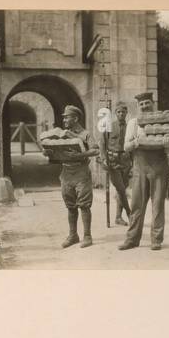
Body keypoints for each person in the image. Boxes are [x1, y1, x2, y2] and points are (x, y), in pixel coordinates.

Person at [118, 91, 168, 251]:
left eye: (147, 103)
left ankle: (156, 240)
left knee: (158, 204)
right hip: (140, 165)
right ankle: (132, 239)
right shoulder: (133, 123)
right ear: (138, 107)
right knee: (137, 204)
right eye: (142, 104)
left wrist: (167, 142)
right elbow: (125, 147)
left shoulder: (162, 121)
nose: (145, 106)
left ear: (152, 104)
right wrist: (138, 141)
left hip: (159, 166)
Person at [49, 105, 99, 248]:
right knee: (70, 205)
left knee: (84, 205)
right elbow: (56, 153)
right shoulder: (62, 134)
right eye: (64, 117)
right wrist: (49, 153)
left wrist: (80, 155)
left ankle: (87, 236)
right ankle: (73, 235)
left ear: (75, 118)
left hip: (81, 172)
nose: (64, 119)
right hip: (66, 173)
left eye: (67, 117)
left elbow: (96, 150)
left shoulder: (85, 134)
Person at [99, 102, 132, 224]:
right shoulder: (109, 127)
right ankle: (130, 214)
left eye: (123, 112)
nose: (121, 114)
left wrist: (133, 163)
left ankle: (118, 217)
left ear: (126, 113)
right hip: (113, 161)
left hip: (125, 160)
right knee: (121, 189)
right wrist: (103, 158)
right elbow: (102, 143)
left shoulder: (130, 127)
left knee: (121, 190)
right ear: (115, 113)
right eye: (118, 112)